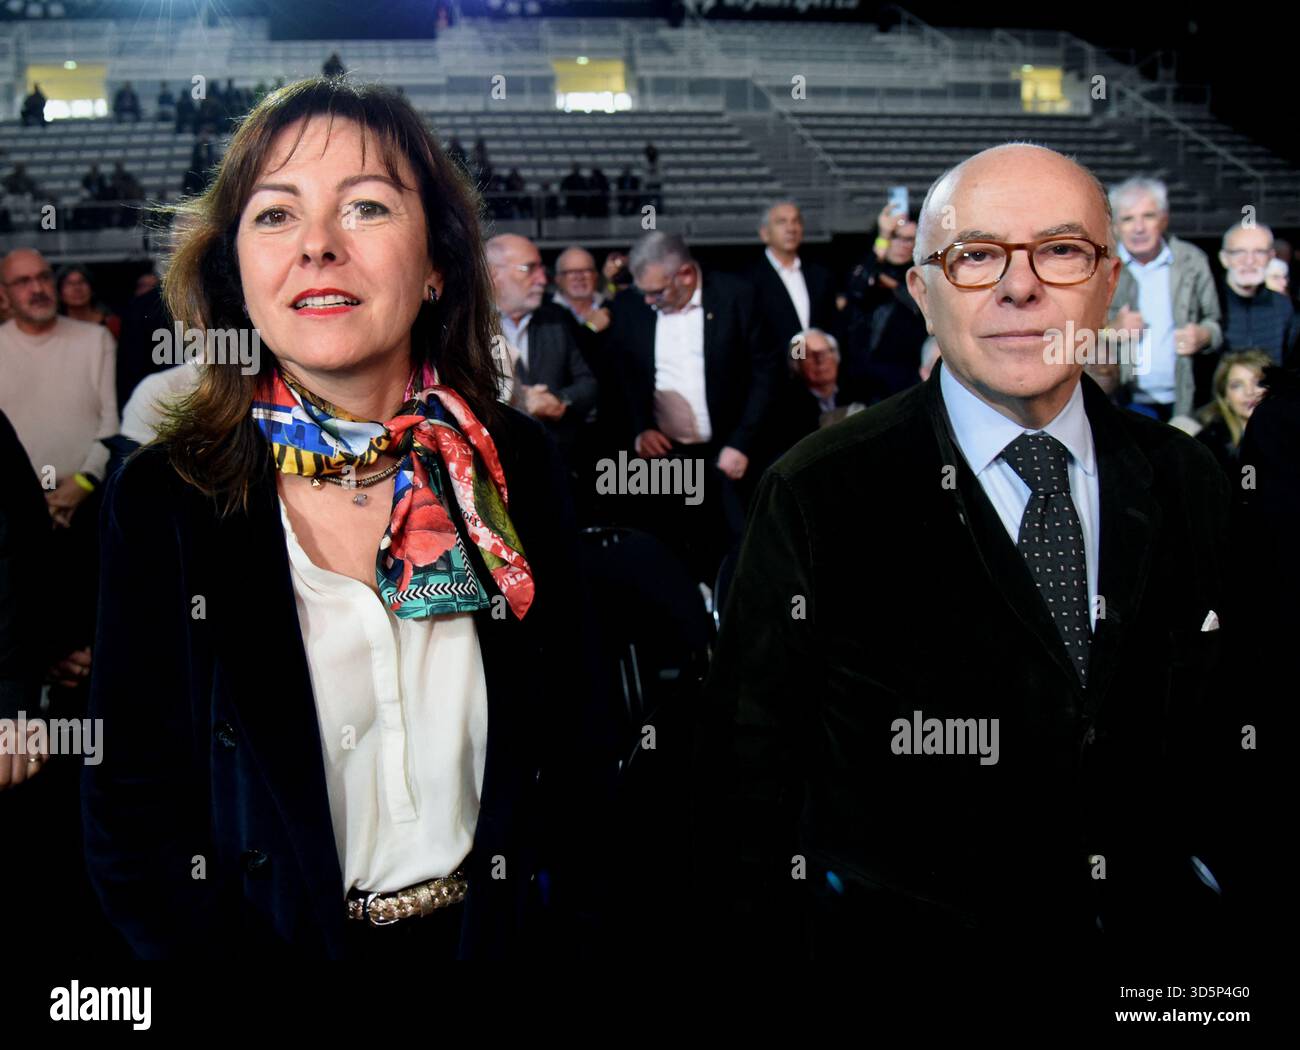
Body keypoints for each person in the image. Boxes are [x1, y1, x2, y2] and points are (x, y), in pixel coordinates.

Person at [83, 77, 613, 961]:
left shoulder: (510, 460)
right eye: (276, 215)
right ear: (237, 271)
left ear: (439, 261)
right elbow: (130, 819)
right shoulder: (164, 497)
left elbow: (584, 754)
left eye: (365, 207)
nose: (318, 247)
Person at [702, 144, 1238, 957]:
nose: (1019, 287)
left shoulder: (1185, 475)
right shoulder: (817, 492)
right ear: (923, 290)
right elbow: (748, 775)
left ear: (1109, 284)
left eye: (1060, 251)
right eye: (977, 255)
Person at [606, 231, 778, 586]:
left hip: (732, 453)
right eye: (644, 292)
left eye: (657, 292)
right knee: (677, 552)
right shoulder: (632, 307)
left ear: (685, 274)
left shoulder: (737, 296)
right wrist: (641, 428)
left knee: (743, 550)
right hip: (669, 456)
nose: (649, 300)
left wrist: (742, 441)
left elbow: (767, 372)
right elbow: (624, 377)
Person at [1107, 176, 1221, 421]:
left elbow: (1215, 324)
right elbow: (1072, 333)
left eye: (1148, 216)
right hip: (1123, 399)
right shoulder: (1102, 266)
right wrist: (1111, 330)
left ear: (1164, 219)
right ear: (1115, 226)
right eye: (1128, 219)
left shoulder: (1193, 260)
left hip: (1185, 400)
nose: (1139, 228)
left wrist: (1204, 335)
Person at [485, 234, 597, 469]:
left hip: (556, 462)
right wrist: (518, 402)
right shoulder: (465, 324)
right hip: (494, 466)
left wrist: (560, 401)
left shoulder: (557, 319)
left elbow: (588, 384)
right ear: (494, 274)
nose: (542, 279)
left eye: (542, 269)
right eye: (529, 269)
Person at [840, 199, 929, 400]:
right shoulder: (871, 267)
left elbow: (923, 309)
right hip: (862, 380)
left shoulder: (922, 276)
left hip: (907, 379)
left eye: (910, 239)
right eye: (895, 237)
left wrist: (895, 286)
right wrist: (883, 237)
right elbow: (856, 289)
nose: (903, 245)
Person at [747, 201, 838, 381]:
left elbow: (831, 324)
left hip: (819, 381)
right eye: (782, 222)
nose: (791, 228)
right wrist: (796, 360)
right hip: (775, 382)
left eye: (796, 221)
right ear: (765, 233)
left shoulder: (820, 275)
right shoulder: (748, 282)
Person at [1218, 221, 1297, 366]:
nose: (1249, 261)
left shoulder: (1283, 307)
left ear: (1270, 257)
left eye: (1259, 252)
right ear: (1224, 258)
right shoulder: (1208, 303)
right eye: (1239, 252)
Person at [1195, 349, 1269, 476]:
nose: (1249, 392)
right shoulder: (1208, 446)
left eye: (1258, 382)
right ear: (1226, 397)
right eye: (1237, 385)